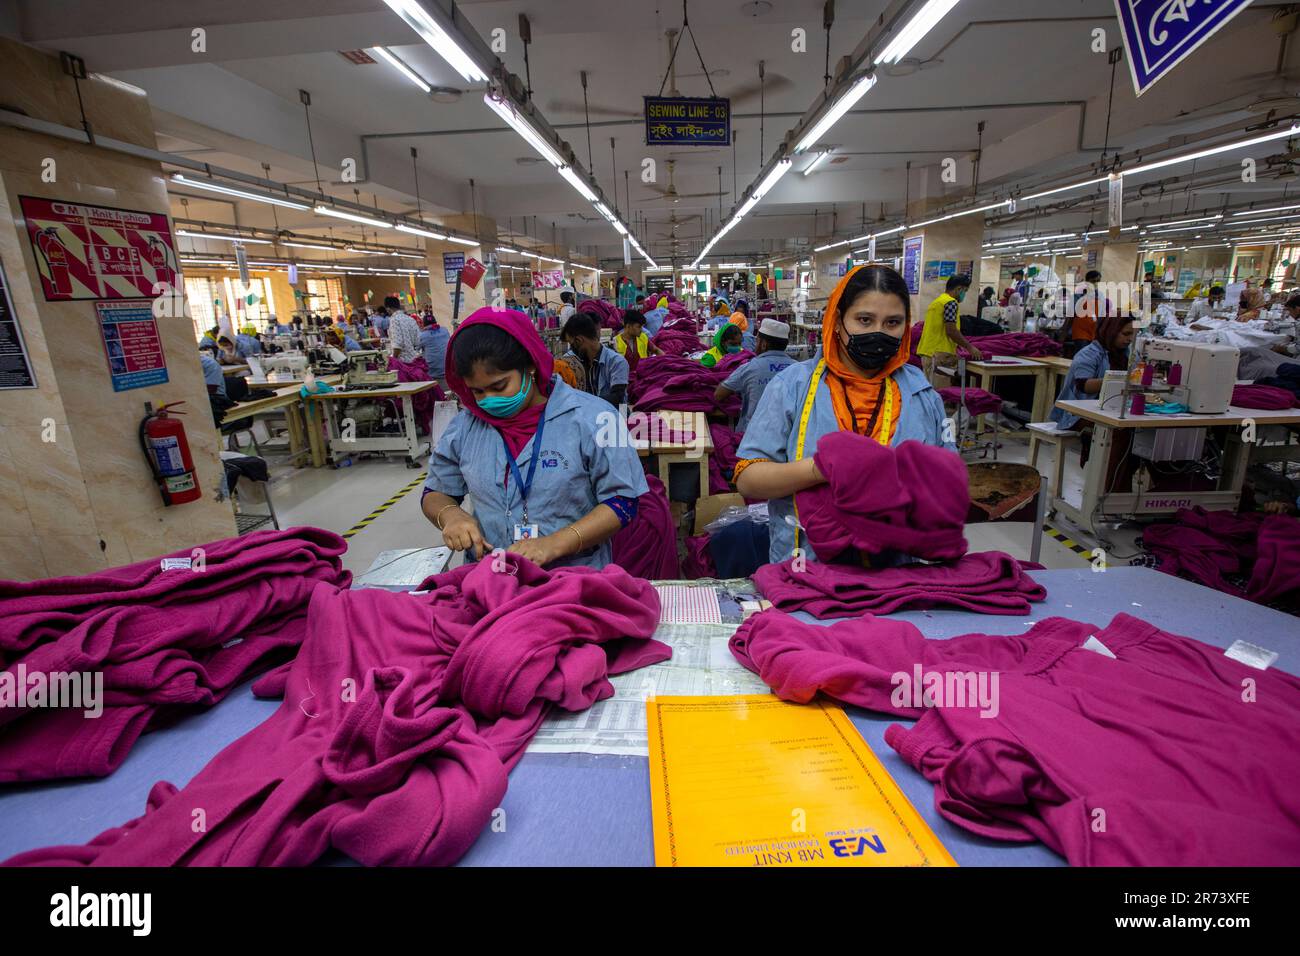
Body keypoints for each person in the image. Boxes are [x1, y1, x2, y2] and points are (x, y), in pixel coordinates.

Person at [734, 264, 953, 565]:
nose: (878, 332)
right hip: (805, 568)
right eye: (864, 320)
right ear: (838, 322)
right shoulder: (793, 386)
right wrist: (819, 470)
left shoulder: (923, 395)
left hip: (899, 572)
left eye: (892, 323)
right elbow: (747, 478)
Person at [421, 308, 646, 569]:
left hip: (572, 578)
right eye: (477, 391)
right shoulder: (465, 428)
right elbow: (435, 491)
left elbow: (623, 501)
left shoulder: (595, 419)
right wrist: (450, 515)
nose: (488, 400)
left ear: (529, 365)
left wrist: (556, 543)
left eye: (500, 386)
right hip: (490, 575)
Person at [1050, 314, 1136, 432]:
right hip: (1078, 414)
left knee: (1130, 425)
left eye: (1132, 334)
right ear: (1111, 331)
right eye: (1126, 334)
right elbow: (1083, 386)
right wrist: (1119, 379)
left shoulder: (1127, 354)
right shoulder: (1089, 354)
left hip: (1112, 409)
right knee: (1115, 428)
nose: (1130, 339)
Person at [715, 318, 795, 432]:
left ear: (763, 344)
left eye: (757, 341)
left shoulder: (750, 368)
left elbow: (719, 395)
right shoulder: (800, 370)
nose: (755, 344)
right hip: (790, 438)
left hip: (754, 438)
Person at [917, 274, 982, 382]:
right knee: (941, 394)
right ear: (959, 289)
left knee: (930, 394)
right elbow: (951, 330)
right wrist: (970, 348)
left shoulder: (937, 302)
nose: (964, 294)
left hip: (927, 353)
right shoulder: (951, 303)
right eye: (965, 291)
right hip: (940, 355)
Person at [561, 311, 630, 406]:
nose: (571, 349)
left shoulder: (616, 362)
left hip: (613, 415)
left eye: (572, 344)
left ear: (579, 340)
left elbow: (618, 398)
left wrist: (584, 404)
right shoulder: (572, 361)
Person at [612, 310, 661, 378]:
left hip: (643, 378)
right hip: (625, 381)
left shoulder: (642, 337)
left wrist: (665, 361)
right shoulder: (615, 342)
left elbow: (656, 350)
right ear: (628, 326)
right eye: (639, 327)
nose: (641, 329)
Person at [383, 295, 422, 360]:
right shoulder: (410, 319)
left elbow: (397, 345)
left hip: (403, 362)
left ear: (388, 308)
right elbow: (418, 341)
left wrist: (393, 360)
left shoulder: (394, 320)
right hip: (414, 359)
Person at [419, 314, 450, 382]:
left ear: (424, 324)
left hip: (433, 372)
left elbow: (416, 348)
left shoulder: (423, 335)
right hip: (448, 368)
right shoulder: (445, 330)